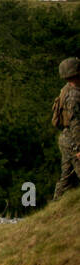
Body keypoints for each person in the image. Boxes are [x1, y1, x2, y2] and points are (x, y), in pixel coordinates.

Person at [52, 57, 80, 199]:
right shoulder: (74, 95)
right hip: (74, 141)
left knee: (66, 178)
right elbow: (76, 123)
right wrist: (79, 148)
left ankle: (55, 209)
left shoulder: (66, 89)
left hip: (66, 139)